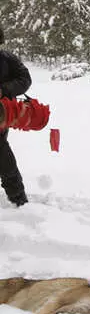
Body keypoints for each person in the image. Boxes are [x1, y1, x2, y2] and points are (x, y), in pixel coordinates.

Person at [0, 25, 32, 207]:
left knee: (2, 154)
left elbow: (25, 79)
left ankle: (18, 197)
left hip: (1, 114)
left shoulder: (7, 59)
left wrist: (4, 90)